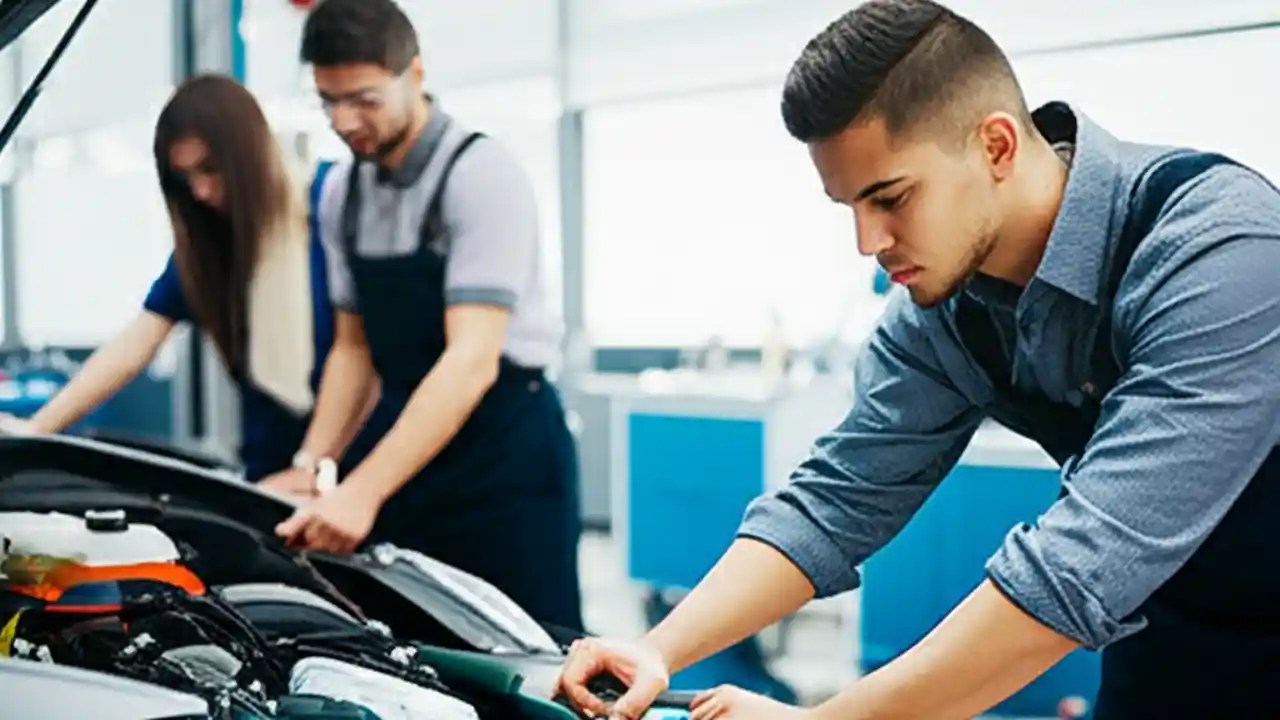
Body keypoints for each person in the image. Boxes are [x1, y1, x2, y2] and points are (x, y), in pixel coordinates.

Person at [555, 1, 1280, 718]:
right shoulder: (947, 311)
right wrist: (658, 648)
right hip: (1171, 627)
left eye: (891, 197)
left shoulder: (1220, 251)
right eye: (849, 206)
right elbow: (837, 498)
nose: (868, 242)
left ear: (996, 147)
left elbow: (1079, 564)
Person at [262, 0, 584, 634]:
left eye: (364, 98)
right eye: (328, 100)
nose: (344, 121)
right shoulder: (340, 194)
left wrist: (364, 490)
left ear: (415, 73)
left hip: (505, 453)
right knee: (403, 643)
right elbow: (353, 351)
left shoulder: (482, 175)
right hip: (411, 441)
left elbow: (471, 360)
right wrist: (313, 466)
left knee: (533, 650)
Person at [11, 74, 350, 487]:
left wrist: (312, 467)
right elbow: (135, 344)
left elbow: (359, 355)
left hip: (348, 474)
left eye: (210, 169)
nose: (201, 191)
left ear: (247, 153)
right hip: (271, 480)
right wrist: (36, 431)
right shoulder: (211, 248)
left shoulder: (333, 209)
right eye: (185, 179)